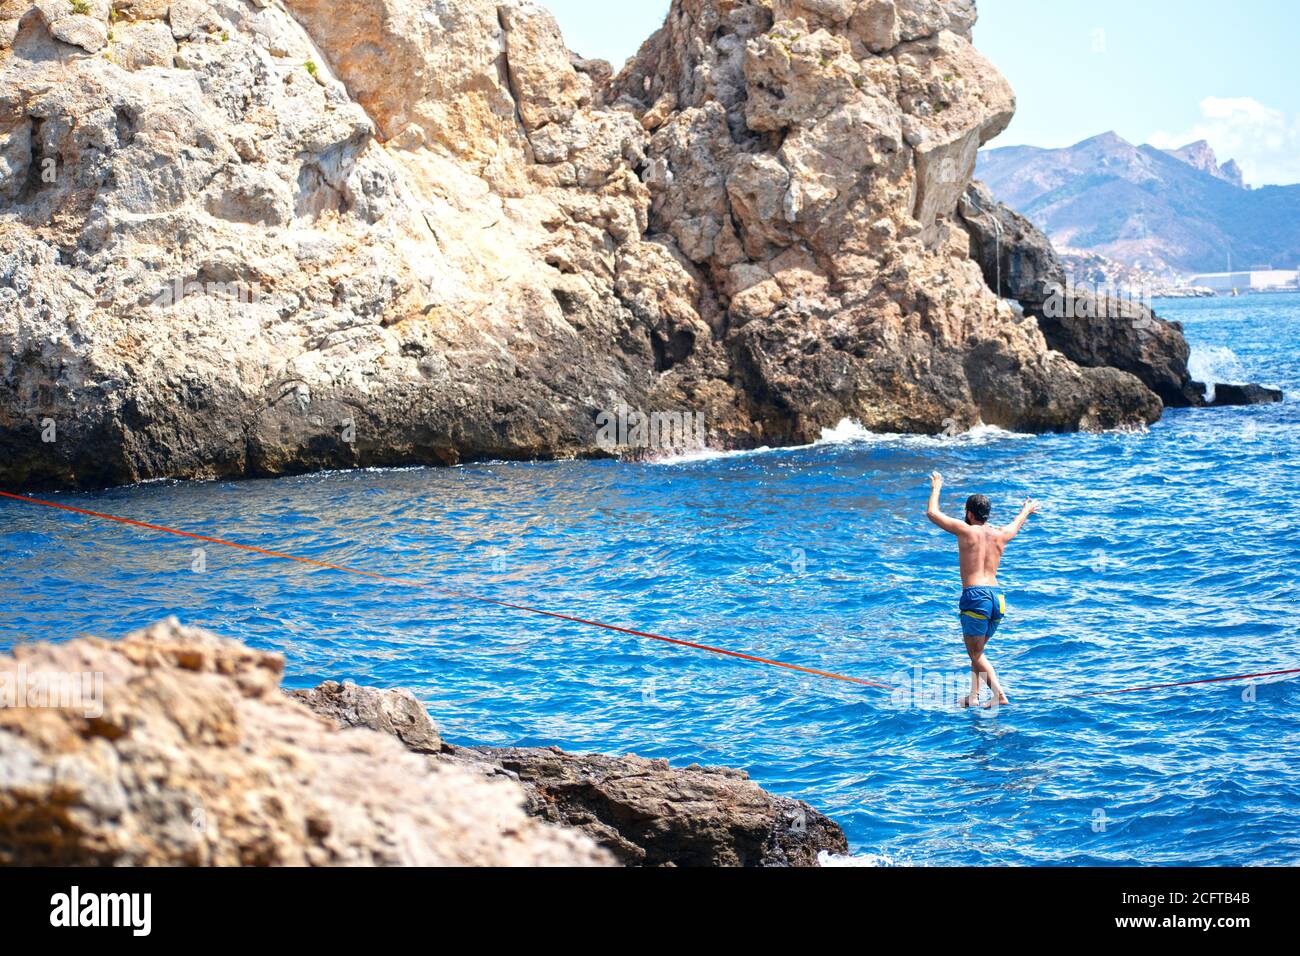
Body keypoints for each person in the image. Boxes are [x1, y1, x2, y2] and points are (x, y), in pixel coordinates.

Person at [926, 472, 1039, 708]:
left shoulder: (966, 531)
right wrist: (1026, 510)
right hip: (998, 598)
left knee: (976, 653)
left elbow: (932, 514)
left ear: (969, 513)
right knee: (977, 651)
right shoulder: (1000, 535)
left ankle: (998, 695)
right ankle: (974, 696)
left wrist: (937, 487)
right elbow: (1016, 524)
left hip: (976, 596)